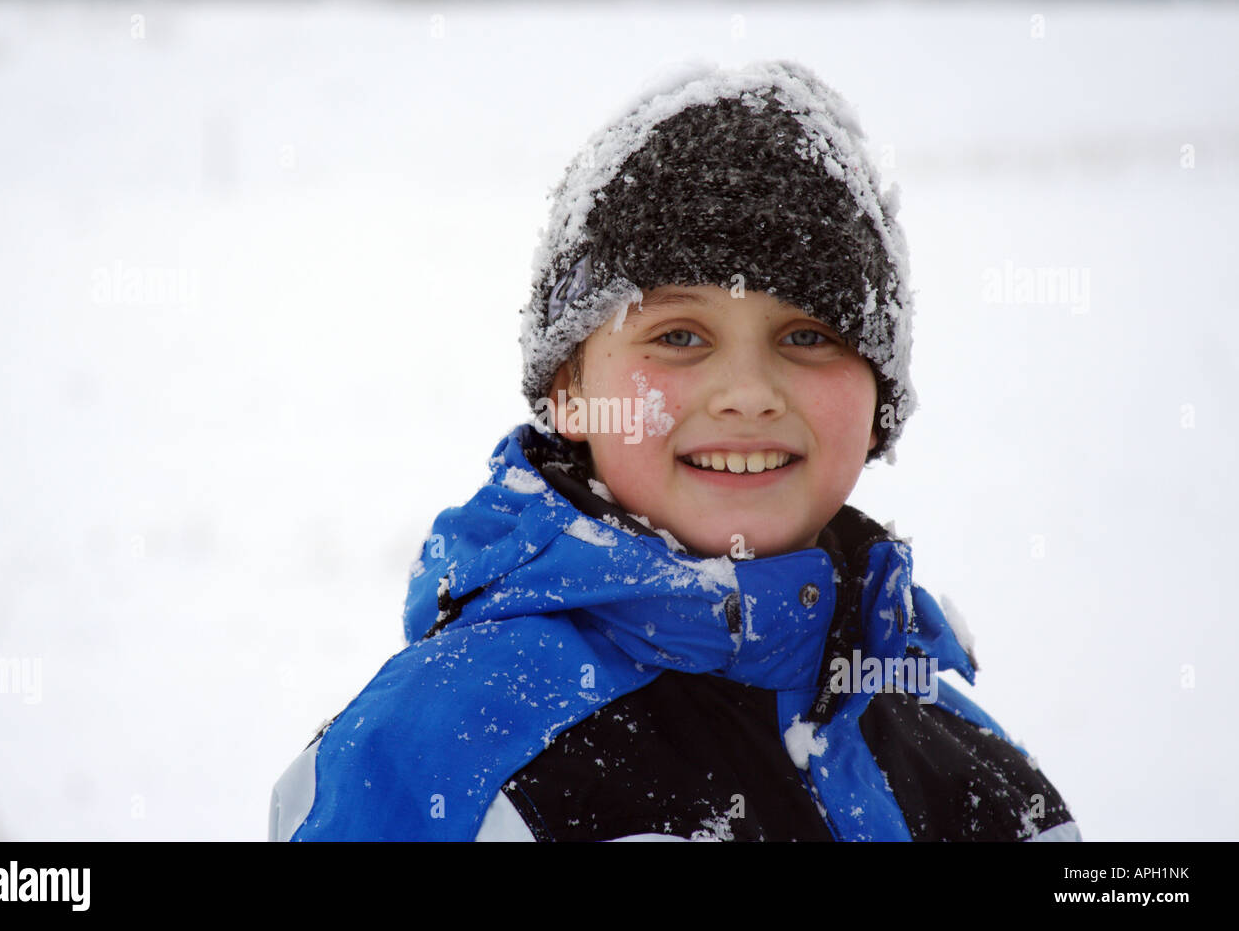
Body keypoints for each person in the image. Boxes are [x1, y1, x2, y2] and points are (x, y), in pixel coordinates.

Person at [269, 59, 1081, 842]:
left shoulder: (992, 785)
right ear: (569, 389)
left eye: (807, 335)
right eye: (680, 335)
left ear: (878, 407)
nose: (748, 393)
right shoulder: (436, 758)